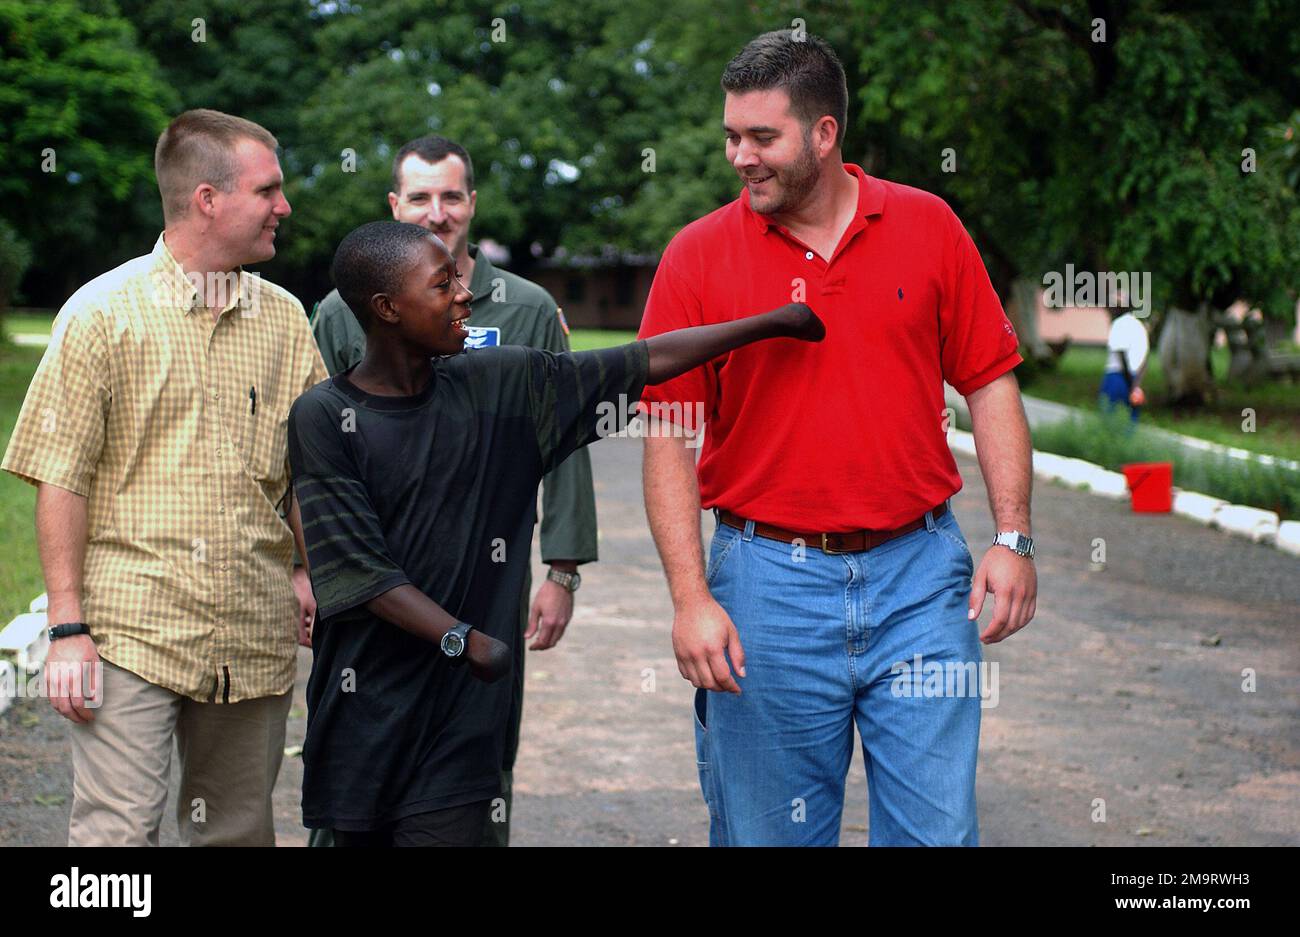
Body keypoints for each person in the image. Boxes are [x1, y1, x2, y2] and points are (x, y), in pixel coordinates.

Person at [286, 220, 823, 846]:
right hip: (364, 718)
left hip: (460, 727)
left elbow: (642, 362)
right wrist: (465, 641)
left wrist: (774, 324)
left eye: (460, 279)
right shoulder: (326, 416)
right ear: (386, 309)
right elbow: (359, 570)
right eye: (442, 286)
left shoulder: (501, 385)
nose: (464, 294)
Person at [638, 30, 1039, 847]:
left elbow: (990, 380)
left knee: (937, 833)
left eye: (761, 138)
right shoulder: (697, 256)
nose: (740, 157)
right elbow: (671, 436)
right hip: (765, 587)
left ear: (824, 134)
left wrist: (1013, 535)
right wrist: (690, 597)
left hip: (921, 580)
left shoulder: (927, 226)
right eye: (730, 136)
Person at [1, 109, 328, 846]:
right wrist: (67, 628)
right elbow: (61, 477)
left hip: (251, 629)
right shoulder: (100, 314)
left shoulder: (285, 320)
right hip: (131, 633)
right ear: (207, 199)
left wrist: (309, 570)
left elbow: (306, 469)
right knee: (116, 837)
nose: (284, 206)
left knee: (238, 833)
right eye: (268, 189)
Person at [307, 135, 594, 847]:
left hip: (486, 576)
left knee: (478, 752)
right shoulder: (343, 312)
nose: (437, 213)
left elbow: (563, 445)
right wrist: (304, 567)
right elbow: (312, 458)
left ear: (472, 202)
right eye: (420, 197)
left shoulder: (526, 308)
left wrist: (561, 568)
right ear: (395, 205)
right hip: (377, 578)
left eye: (451, 196)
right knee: (356, 740)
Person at [1100, 304, 1150, 422]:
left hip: (1117, 377)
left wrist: (1129, 384)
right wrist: (1136, 385)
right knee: (1131, 420)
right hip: (1134, 377)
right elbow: (1144, 361)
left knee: (1108, 418)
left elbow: (1121, 353)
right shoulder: (1139, 326)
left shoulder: (1119, 324)